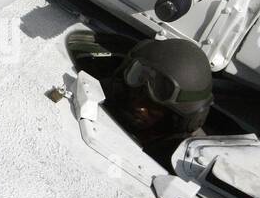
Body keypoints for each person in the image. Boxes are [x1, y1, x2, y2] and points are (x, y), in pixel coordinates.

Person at [67, 30, 213, 167]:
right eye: (137, 93)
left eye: (154, 109)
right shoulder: (112, 92)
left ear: (176, 119)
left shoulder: (178, 159)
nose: (139, 106)